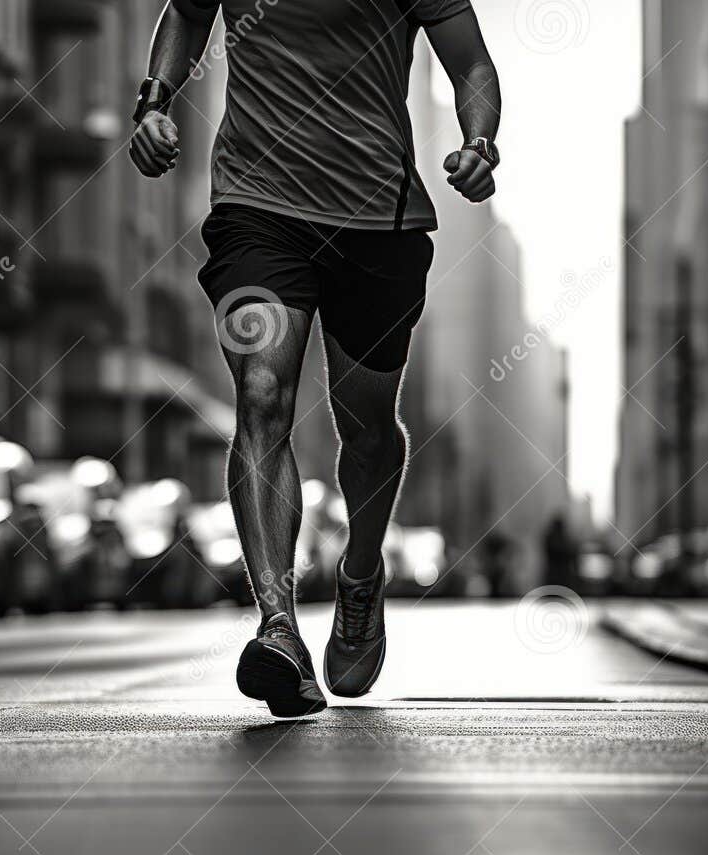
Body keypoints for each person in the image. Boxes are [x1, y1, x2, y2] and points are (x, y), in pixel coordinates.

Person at [131, 0, 501, 716]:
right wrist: (154, 101)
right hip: (257, 210)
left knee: (366, 424)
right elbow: (186, 11)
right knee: (261, 393)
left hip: (377, 219)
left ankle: (360, 573)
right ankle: (278, 626)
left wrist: (479, 140)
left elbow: (472, 63)